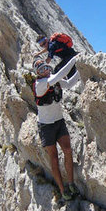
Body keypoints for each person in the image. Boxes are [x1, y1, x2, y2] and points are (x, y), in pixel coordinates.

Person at [31, 54, 80, 202]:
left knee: (68, 150)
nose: (45, 69)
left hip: (59, 121)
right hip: (46, 126)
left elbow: (70, 83)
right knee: (54, 158)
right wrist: (74, 60)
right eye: (40, 68)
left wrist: (82, 68)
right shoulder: (40, 84)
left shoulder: (55, 81)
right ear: (37, 73)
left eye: (45, 66)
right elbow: (62, 74)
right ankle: (62, 189)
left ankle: (71, 183)